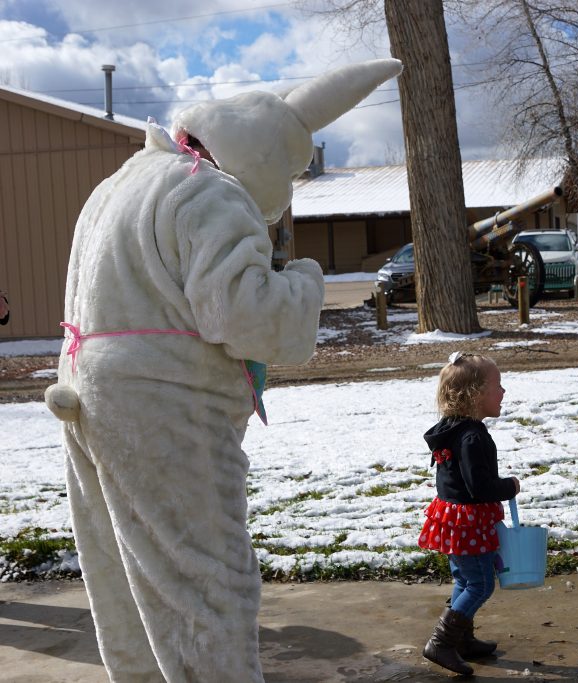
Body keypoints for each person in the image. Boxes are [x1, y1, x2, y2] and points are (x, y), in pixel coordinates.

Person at [42, 59, 402, 682]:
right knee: (206, 584)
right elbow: (245, 316)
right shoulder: (207, 190)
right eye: (290, 172)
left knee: (124, 578)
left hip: (82, 391)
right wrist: (306, 285)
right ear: (265, 156)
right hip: (163, 407)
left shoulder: (123, 181)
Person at [418, 351, 521, 676]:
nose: (503, 392)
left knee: (465, 579)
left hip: (453, 518)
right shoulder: (473, 437)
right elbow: (480, 487)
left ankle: (462, 639)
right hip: (468, 522)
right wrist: (510, 487)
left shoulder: (451, 429)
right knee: (480, 584)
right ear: (474, 395)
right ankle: (442, 642)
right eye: (497, 385)